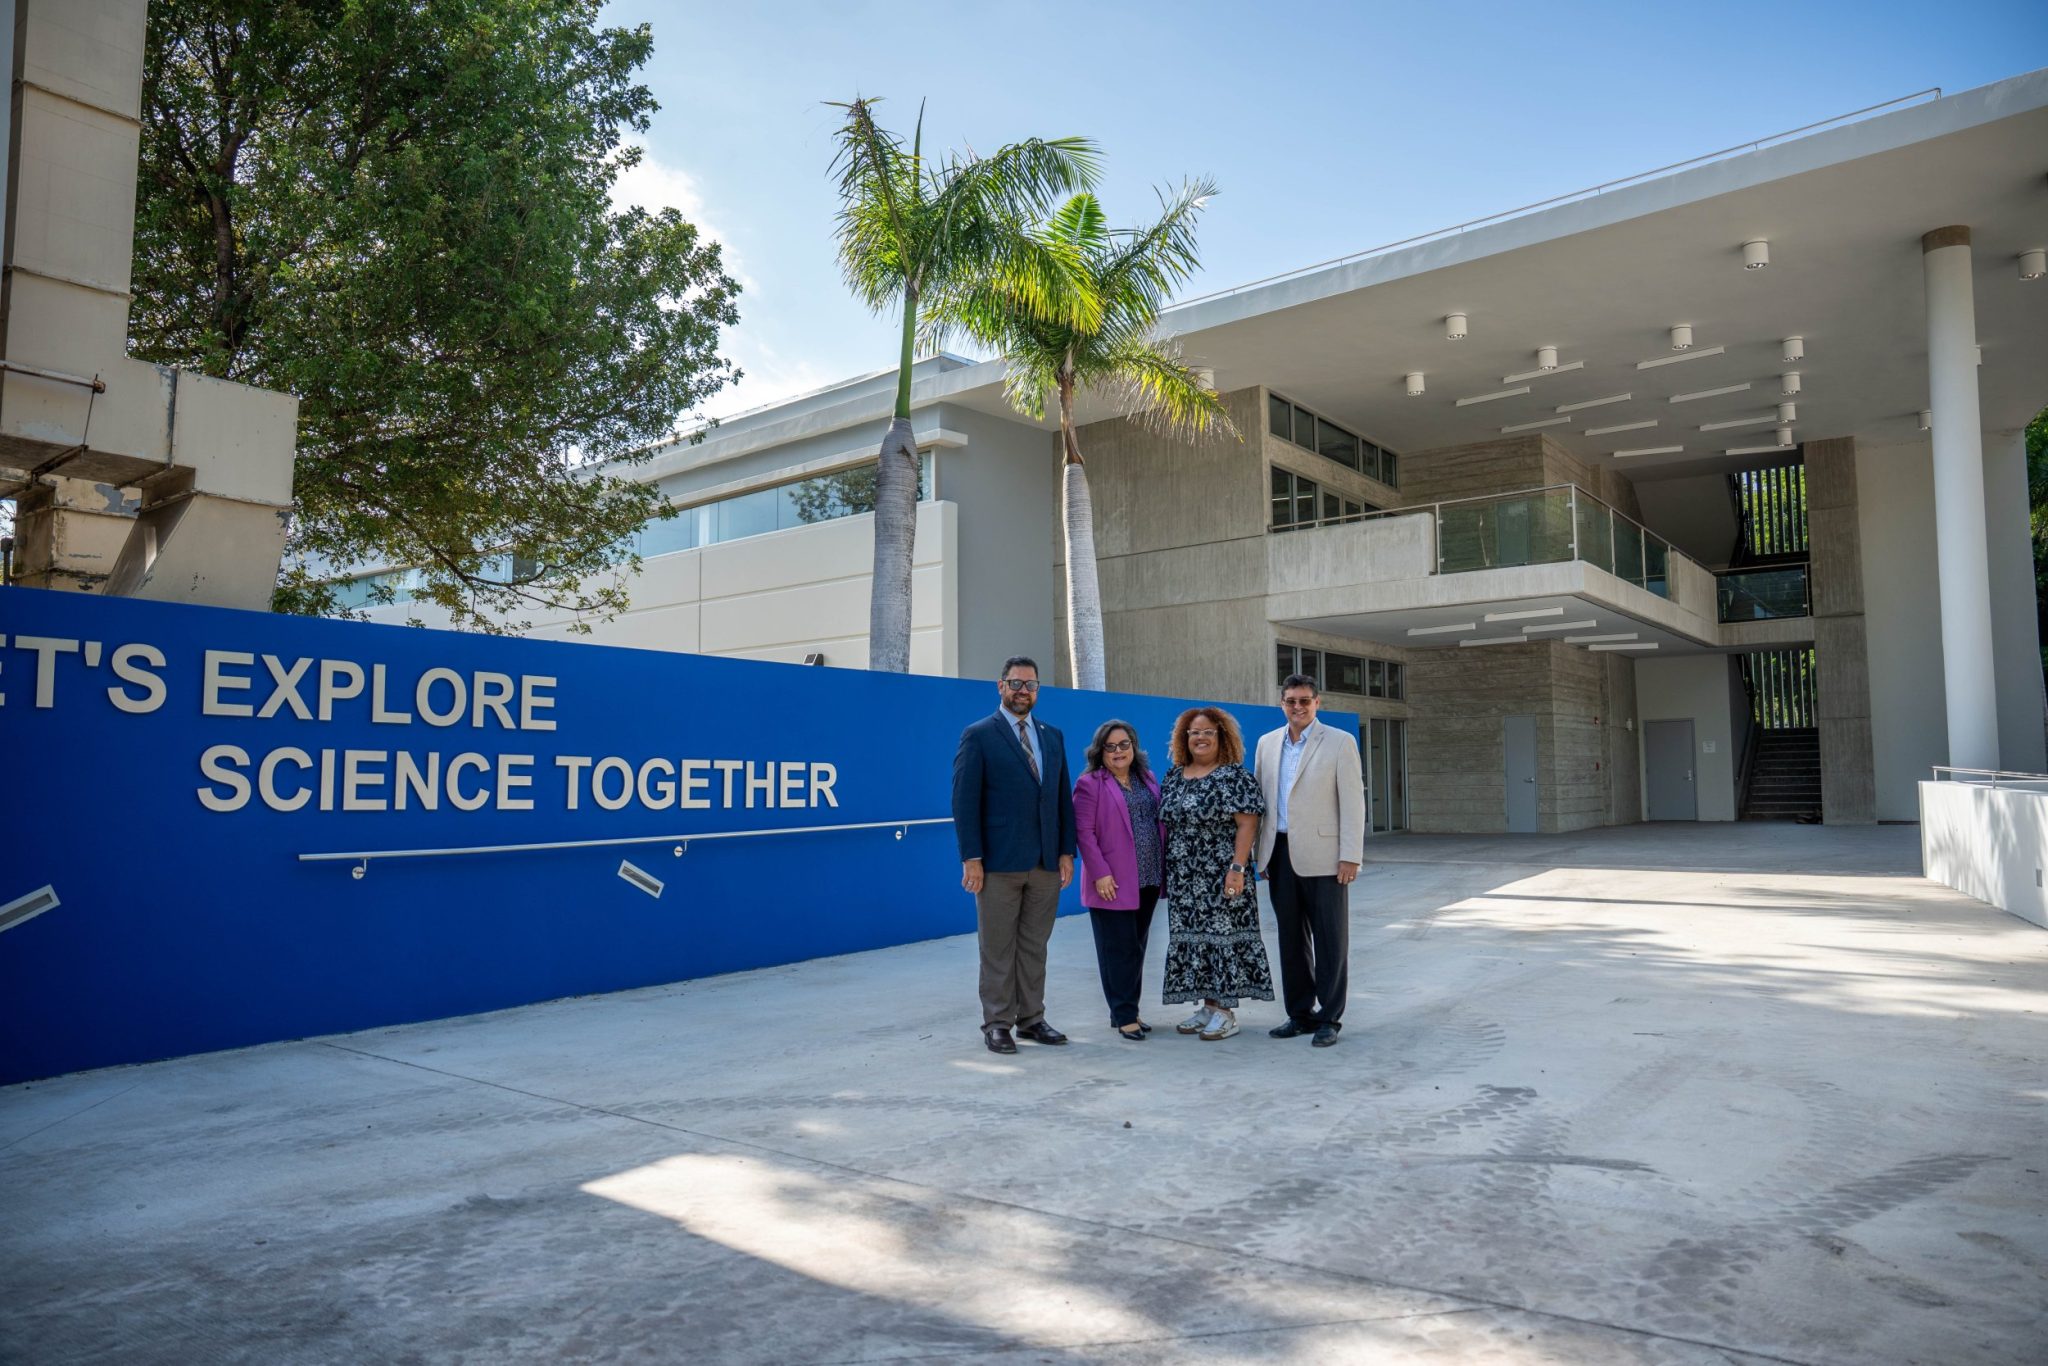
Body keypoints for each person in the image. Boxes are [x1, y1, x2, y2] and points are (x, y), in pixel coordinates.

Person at [952, 655, 1075, 1055]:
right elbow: (964, 801)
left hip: (1044, 862)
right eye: (1016, 684)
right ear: (1000, 686)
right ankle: (998, 1023)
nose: (1024, 691)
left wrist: (1066, 851)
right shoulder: (979, 735)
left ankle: (1032, 1019)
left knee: (1034, 946)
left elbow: (1060, 799)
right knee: (998, 946)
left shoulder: (1052, 735)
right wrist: (972, 857)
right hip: (998, 864)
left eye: (1031, 685)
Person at [1253, 673, 1365, 1048]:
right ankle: (1299, 1013)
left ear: (1317, 703)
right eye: (1290, 700)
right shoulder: (1267, 744)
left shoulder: (1339, 742)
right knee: (1290, 939)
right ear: (1281, 703)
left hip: (1326, 857)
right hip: (1279, 853)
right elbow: (1260, 804)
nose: (1297, 707)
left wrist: (1350, 855)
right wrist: (1259, 853)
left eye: (1304, 700)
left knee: (1330, 939)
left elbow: (1353, 803)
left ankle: (1329, 1018)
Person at [1159, 706, 1272, 1040]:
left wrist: (1238, 868)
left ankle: (1225, 1012)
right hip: (1184, 878)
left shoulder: (1234, 776)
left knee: (1223, 939)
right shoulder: (1174, 775)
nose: (1201, 738)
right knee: (1195, 940)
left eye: (1208, 731)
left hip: (1222, 874)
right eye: (1194, 732)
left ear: (1222, 736)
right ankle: (1208, 1007)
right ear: (1184, 738)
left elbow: (1248, 823)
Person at [1073, 720, 1164, 1041]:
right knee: (1118, 950)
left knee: (1136, 947)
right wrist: (1100, 873)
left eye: (1124, 744)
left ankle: (1125, 1009)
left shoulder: (1147, 778)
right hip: (1111, 881)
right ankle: (1126, 1015)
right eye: (1110, 747)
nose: (1118, 752)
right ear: (1100, 751)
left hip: (1149, 876)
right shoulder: (1090, 784)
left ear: (1134, 747)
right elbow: (1083, 832)